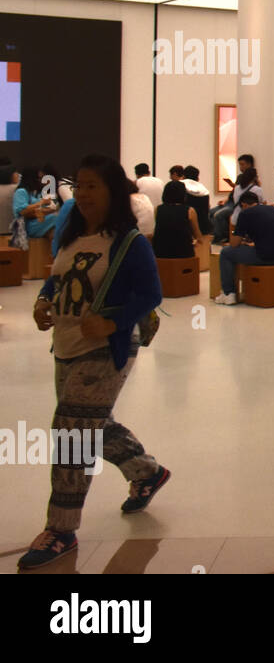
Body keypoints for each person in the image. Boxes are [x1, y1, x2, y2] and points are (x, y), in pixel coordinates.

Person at [20, 154, 168, 569]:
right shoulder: (69, 235)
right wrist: (43, 300)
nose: (82, 194)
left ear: (113, 192)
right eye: (79, 186)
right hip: (66, 345)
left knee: (71, 433)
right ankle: (146, 473)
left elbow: (151, 293)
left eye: (92, 187)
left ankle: (61, 529)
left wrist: (112, 322)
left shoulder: (128, 242)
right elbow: (58, 275)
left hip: (106, 350)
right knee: (89, 423)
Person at [215, 189, 274, 305]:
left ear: (243, 205)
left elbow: (234, 243)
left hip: (266, 256)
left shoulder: (245, 213)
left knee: (226, 252)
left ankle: (229, 294)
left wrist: (236, 235)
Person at [213, 161, 260, 244]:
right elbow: (262, 203)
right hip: (243, 215)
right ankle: (224, 236)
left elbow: (235, 198)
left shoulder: (238, 188)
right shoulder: (256, 189)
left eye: (242, 164)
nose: (240, 167)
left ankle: (224, 237)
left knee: (219, 216)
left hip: (235, 214)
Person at [152, 180, 201, 259]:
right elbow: (198, 236)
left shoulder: (157, 209)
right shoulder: (189, 211)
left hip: (160, 256)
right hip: (184, 256)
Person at [13, 165, 58, 239]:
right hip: (27, 226)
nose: (41, 181)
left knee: (59, 222)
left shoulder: (35, 192)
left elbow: (45, 209)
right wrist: (41, 203)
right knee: (56, 218)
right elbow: (22, 211)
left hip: (39, 220)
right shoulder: (21, 191)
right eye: (39, 178)